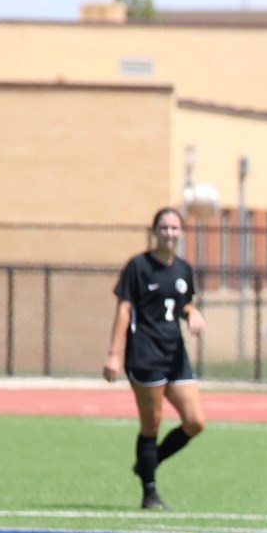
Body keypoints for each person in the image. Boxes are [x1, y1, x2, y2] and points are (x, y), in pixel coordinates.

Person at [104, 207, 206, 511]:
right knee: (152, 423)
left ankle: (148, 462)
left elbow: (183, 304)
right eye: (164, 228)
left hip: (174, 353)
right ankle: (149, 493)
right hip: (145, 354)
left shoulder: (183, 269)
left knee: (195, 421)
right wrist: (113, 354)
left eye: (175, 228)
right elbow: (124, 310)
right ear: (154, 231)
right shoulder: (138, 267)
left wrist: (193, 312)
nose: (170, 234)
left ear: (181, 233)